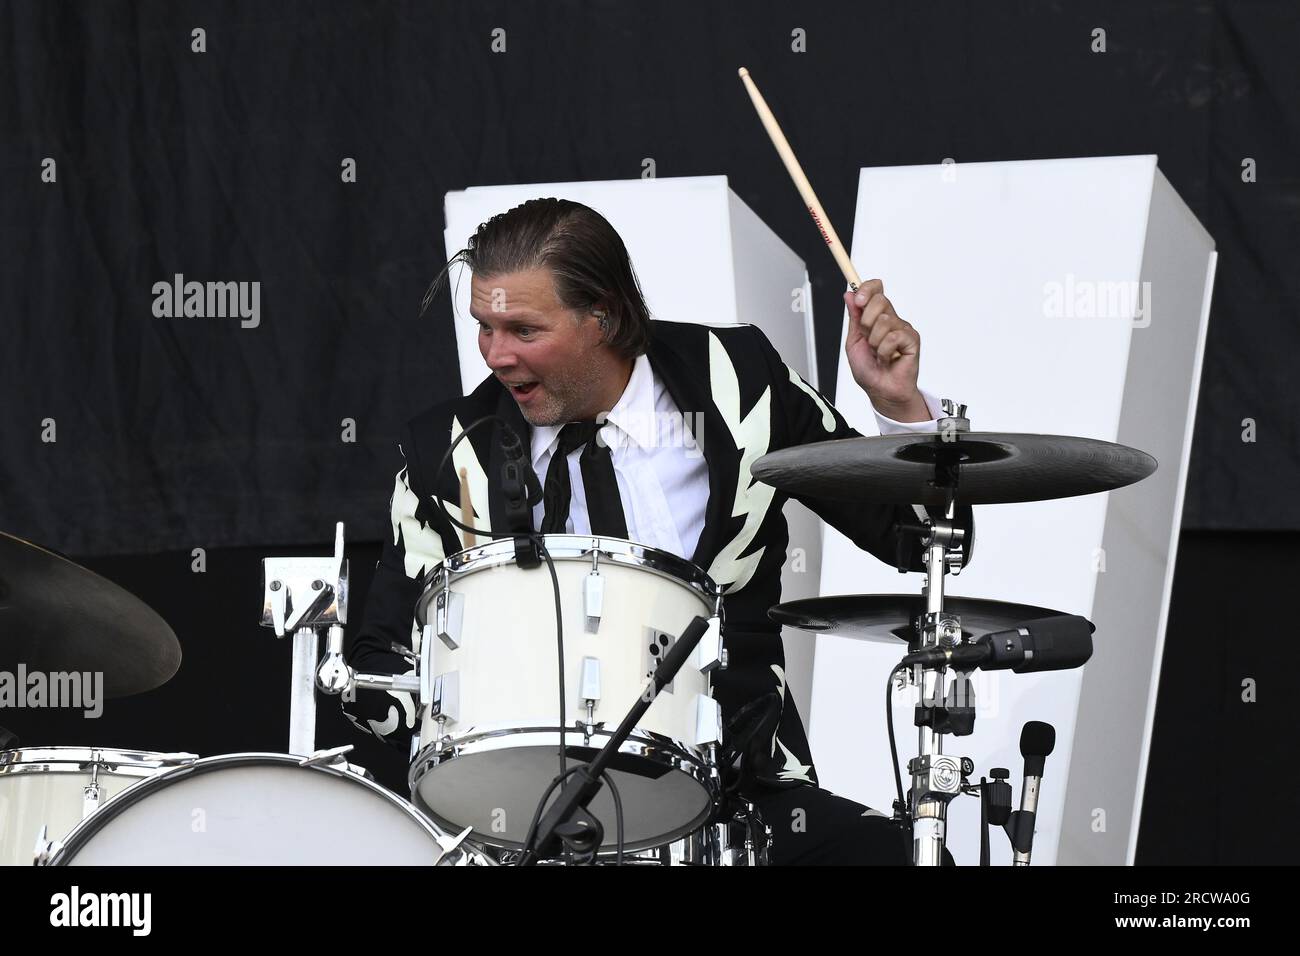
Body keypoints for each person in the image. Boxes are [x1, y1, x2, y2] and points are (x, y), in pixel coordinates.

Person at [343, 197, 962, 864]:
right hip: (531, 821)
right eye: (484, 327)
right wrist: (433, 717)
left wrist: (898, 408)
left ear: (601, 315)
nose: (496, 355)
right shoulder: (446, 455)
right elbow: (380, 662)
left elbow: (918, 538)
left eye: (524, 330)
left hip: (743, 792)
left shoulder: (740, 381)